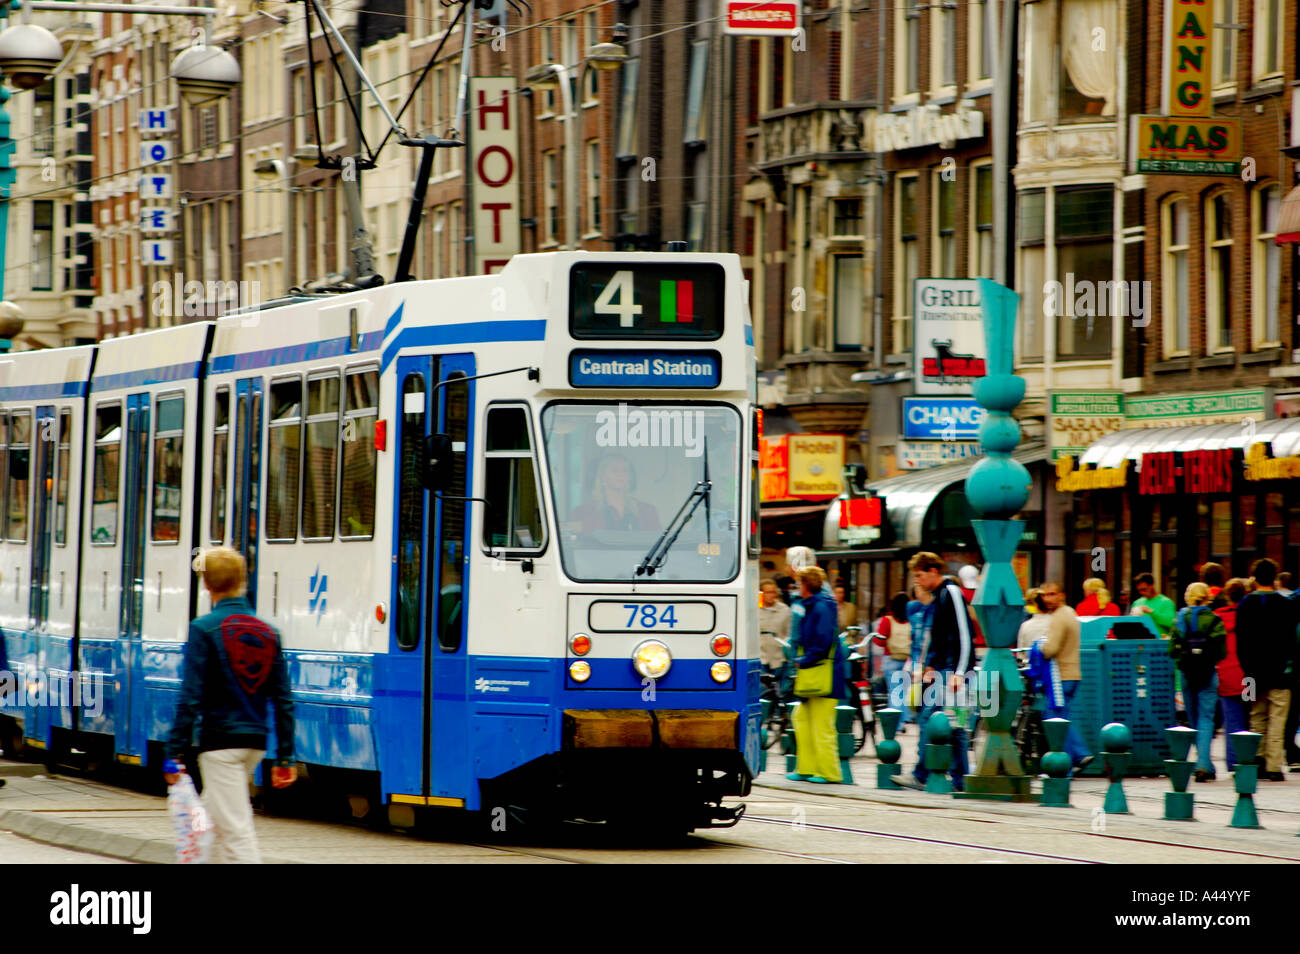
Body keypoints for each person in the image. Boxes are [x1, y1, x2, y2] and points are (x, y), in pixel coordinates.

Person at [165, 547, 296, 864]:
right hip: (254, 744)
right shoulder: (269, 632)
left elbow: (191, 695)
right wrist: (285, 757)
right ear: (243, 582)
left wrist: (174, 753)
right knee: (209, 826)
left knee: (237, 834)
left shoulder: (204, 628)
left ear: (207, 586)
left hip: (220, 747)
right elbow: (283, 700)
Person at [903, 552, 973, 792]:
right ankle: (958, 778)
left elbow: (964, 633)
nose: (917, 581)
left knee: (941, 722)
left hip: (951, 671)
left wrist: (960, 671)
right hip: (942, 669)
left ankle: (929, 775)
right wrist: (931, 664)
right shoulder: (940, 596)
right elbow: (940, 637)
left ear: (934, 571)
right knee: (949, 724)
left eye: (920, 575)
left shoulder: (950, 592)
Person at [1235, 558, 1297, 781]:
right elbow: (1292, 640)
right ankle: (1273, 766)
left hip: (1251, 675)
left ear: (1254, 576)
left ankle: (1256, 761)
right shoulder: (1287, 605)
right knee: (1278, 720)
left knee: (1254, 718)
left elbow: (1240, 642)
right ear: (1275, 577)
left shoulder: (1245, 604)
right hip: (1281, 674)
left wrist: (1246, 669)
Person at [786, 566, 847, 784]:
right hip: (814, 672)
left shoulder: (821, 607)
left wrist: (803, 660)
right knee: (802, 719)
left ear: (806, 585)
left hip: (823, 673)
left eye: (798, 583)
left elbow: (823, 642)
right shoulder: (811, 604)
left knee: (822, 726)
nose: (796, 588)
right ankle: (806, 768)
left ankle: (829, 772)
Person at [1171, 582, 1228, 781]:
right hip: (1207, 674)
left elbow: (1172, 650)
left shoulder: (1180, 619)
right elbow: (1222, 652)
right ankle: (1203, 764)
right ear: (1206, 597)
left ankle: (1202, 762)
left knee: (1193, 719)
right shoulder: (1214, 619)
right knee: (1206, 719)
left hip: (1186, 674)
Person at [1038, 582, 1094, 773]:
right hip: (1072, 674)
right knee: (1062, 718)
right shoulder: (1070, 613)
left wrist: (1040, 647)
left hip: (1060, 676)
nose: (1047, 598)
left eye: (1051, 594)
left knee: (1056, 721)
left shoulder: (1059, 617)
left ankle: (1075, 757)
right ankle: (1075, 759)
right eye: (1044, 595)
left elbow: (1051, 649)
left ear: (1061, 595)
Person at [570, 454, 661, 533]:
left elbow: (658, 544)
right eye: (615, 470)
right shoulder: (583, 512)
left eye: (625, 470)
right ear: (602, 477)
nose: (621, 474)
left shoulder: (647, 511)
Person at [1214, 578, 1251, 772]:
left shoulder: (1217, 617)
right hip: (1249, 675)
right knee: (1250, 718)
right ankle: (1249, 759)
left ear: (1227, 595)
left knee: (1231, 721)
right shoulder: (1250, 615)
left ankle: (1233, 762)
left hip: (1225, 675)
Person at [878, 592, 912, 718]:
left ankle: (896, 724)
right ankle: (905, 719)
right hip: (908, 661)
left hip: (890, 659)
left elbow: (879, 641)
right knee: (905, 691)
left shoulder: (887, 620)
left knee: (894, 692)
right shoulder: (911, 620)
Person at [758, 578, 791, 677]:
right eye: (767, 592)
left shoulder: (785, 610)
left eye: (773, 592)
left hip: (779, 659)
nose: (771, 595)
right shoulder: (754, 610)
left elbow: (789, 634)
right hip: (761, 659)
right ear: (761, 593)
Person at [1130, 572, 1176, 637]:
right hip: (1140, 642)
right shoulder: (1137, 603)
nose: (1141, 592)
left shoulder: (1166, 602)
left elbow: (1171, 623)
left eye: (1143, 589)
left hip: (1160, 642)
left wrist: (1152, 612)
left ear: (1151, 585)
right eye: (1139, 590)